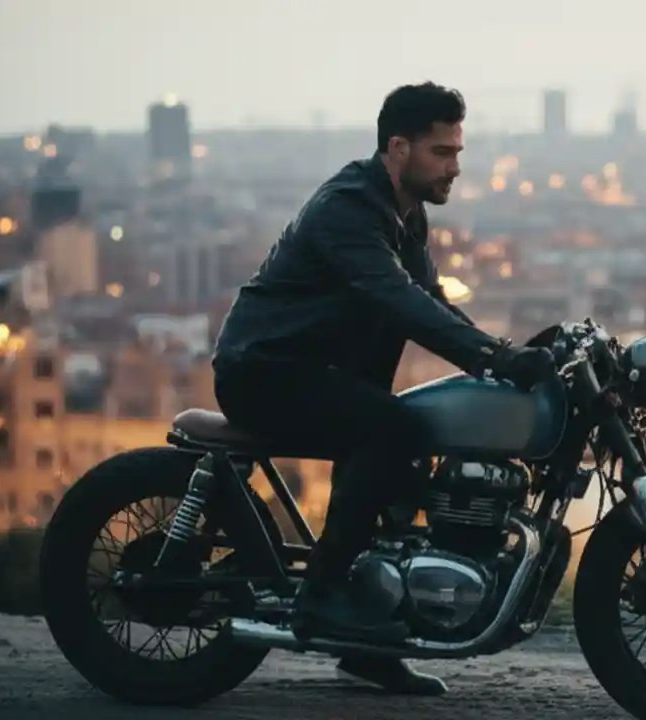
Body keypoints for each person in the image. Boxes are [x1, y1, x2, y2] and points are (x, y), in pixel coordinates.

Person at [211, 82, 554, 694]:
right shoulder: (347, 210)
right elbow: (398, 301)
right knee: (394, 429)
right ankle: (321, 595)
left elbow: (431, 302)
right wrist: (494, 356)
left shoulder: (404, 213)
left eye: (457, 152)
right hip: (263, 371)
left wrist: (504, 358)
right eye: (442, 152)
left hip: (320, 375)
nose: (454, 167)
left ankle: (371, 632)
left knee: (410, 449)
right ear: (398, 149)